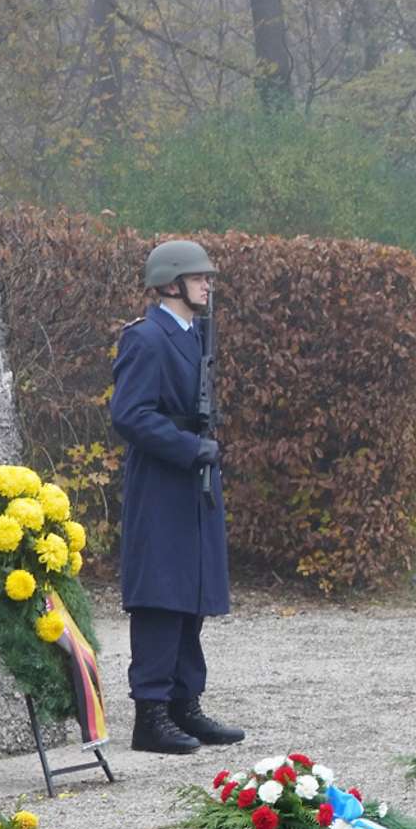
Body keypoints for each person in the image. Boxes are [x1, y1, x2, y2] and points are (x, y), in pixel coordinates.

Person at [110, 239, 241, 755]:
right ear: (170, 282)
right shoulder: (147, 338)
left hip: (193, 479)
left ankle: (186, 702)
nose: (207, 284)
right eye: (198, 277)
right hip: (165, 481)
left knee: (194, 593)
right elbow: (131, 415)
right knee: (162, 596)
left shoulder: (190, 334)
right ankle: (152, 713)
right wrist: (191, 448)